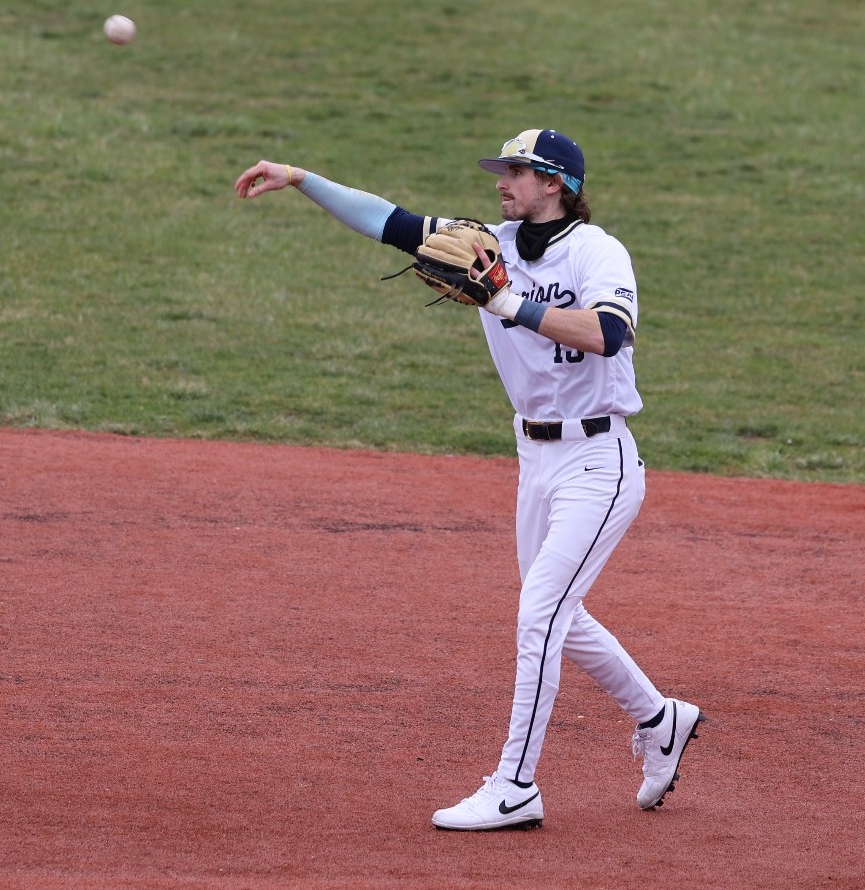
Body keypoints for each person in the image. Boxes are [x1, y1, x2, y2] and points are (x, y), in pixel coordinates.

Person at [233, 129, 703, 830]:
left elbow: (608, 333)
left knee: (540, 612)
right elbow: (387, 221)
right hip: (535, 461)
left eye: (515, 172)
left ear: (556, 183)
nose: (500, 183)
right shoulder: (490, 244)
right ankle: (660, 718)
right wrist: (304, 178)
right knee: (558, 618)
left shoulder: (598, 251)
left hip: (597, 462)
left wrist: (512, 305)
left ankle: (516, 784)